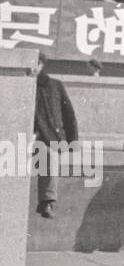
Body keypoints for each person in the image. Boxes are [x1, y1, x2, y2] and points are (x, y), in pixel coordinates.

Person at [32, 53, 78, 219]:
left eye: (36, 63)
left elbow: (68, 115)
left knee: (48, 155)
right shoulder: (20, 84)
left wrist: (73, 142)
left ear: (41, 64)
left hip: (48, 138)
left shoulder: (55, 85)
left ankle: (47, 201)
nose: (32, 66)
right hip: (24, 137)